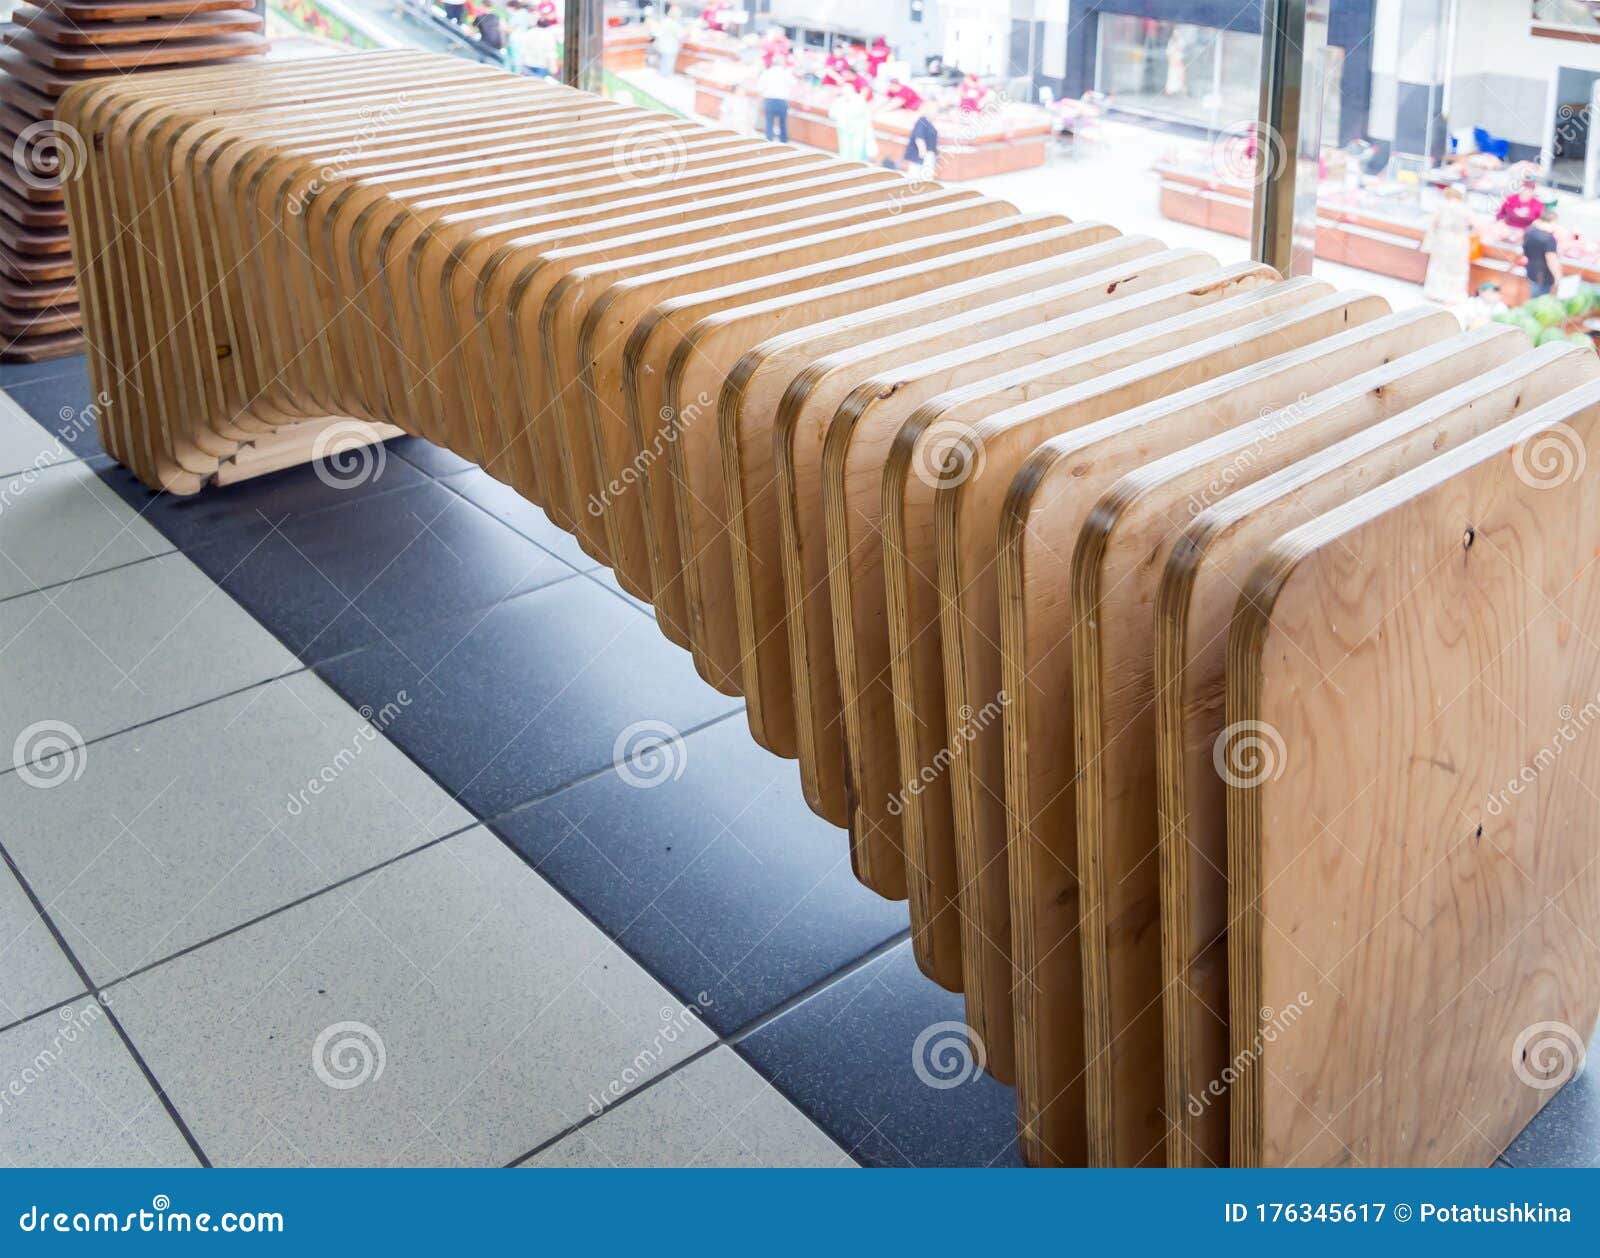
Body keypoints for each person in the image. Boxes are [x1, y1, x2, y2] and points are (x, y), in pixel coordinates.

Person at [1422, 185, 1473, 305]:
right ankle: (1453, 297)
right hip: (1459, 241)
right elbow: (1474, 224)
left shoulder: (1442, 206)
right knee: (1456, 269)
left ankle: (1435, 293)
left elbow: (1434, 222)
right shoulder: (1465, 209)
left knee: (1439, 267)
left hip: (1443, 239)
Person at [1522, 205, 1562, 299]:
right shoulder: (1548, 239)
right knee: (1540, 302)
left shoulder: (1530, 230)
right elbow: (1551, 260)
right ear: (1552, 222)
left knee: (1534, 297)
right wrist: (1558, 278)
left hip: (1531, 270)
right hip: (1543, 276)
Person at [757, 55, 796, 144]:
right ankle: (784, 142)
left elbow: (760, 89)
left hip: (769, 100)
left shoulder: (766, 73)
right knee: (783, 124)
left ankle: (768, 142)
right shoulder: (785, 73)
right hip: (782, 101)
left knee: (769, 124)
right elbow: (794, 83)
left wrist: (760, 103)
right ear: (782, 63)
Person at [831, 82, 873, 163]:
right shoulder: (840, 101)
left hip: (858, 131)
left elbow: (865, 116)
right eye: (844, 91)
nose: (845, 93)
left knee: (856, 152)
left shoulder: (860, 100)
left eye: (847, 91)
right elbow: (832, 114)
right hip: (843, 129)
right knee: (844, 150)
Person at [904, 99, 938, 179]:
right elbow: (919, 138)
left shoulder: (927, 122)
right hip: (922, 155)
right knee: (917, 178)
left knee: (925, 179)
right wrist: (923, 156)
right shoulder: (922, 121)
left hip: (927, 154)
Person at [652, 4, 684, 76]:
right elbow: (681, 35)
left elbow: (657, 32)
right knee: (669, 63)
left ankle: (663, 75)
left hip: (661, 46)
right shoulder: (675, 24)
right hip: (670, 47)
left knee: (663, 62)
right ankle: (667, 77)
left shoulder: (664, 21)